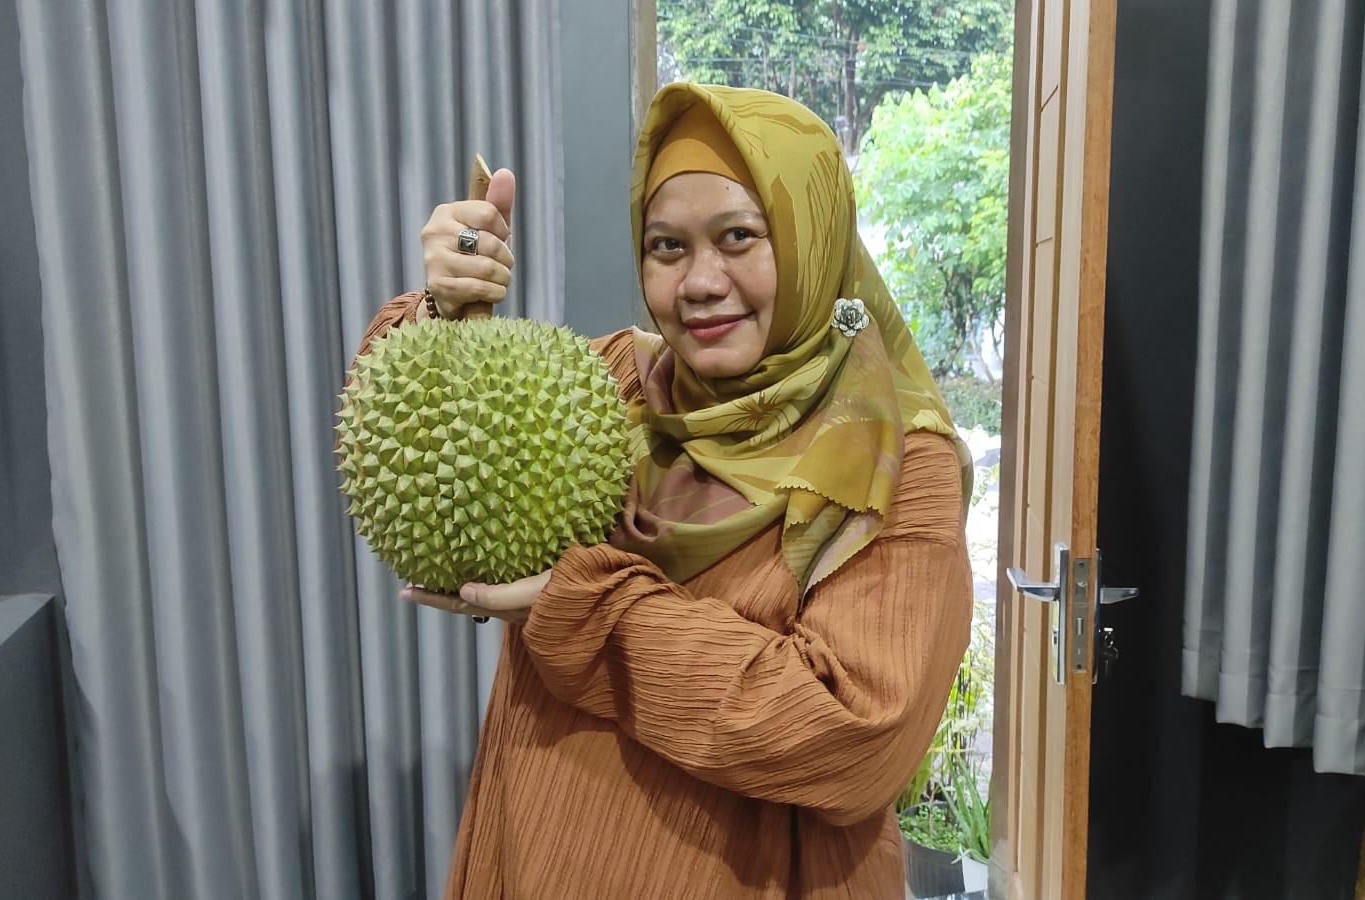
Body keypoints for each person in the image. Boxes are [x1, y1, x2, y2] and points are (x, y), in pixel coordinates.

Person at [352, 83, 974, 899]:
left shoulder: (894, 462)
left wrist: (582, 612)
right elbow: (422, 454)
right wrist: (446, 306)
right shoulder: (616, 385)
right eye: (667, 246)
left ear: (811, 236)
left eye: (740, 236)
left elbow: (857, 737)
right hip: (540, 841)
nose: (700, 282)